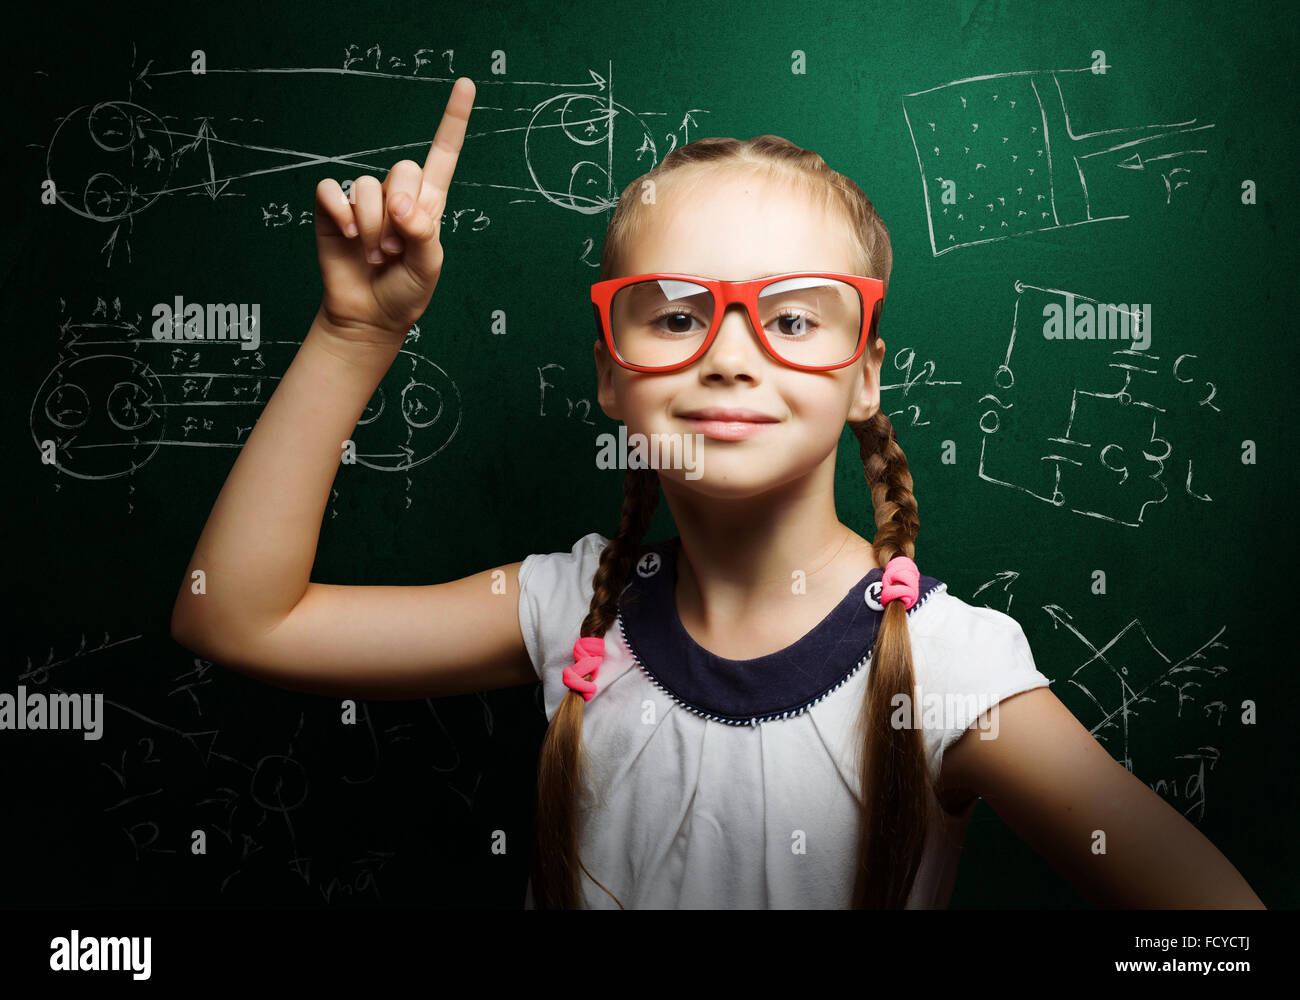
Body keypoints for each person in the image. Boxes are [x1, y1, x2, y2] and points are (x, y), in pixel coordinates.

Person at [170, 77, 1265, 910]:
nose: (731, 354)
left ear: (864, 373)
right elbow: (237, 613)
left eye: (793, 316)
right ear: (609, 369)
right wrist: (357, 331)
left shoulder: (950, 667)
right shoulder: (560, 608)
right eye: (676, 311)